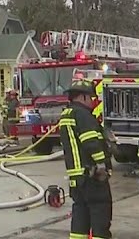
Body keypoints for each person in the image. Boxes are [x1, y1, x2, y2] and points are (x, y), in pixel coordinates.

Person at [59, 78, 112, 239]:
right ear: (83, 97)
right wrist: (103, 165)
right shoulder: (83, 115)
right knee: (100, 215)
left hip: (76, 178)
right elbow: (91, 143)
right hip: (91, 176)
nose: (92, 102)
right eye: (91, 98)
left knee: (80, 216)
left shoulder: (66, 114)